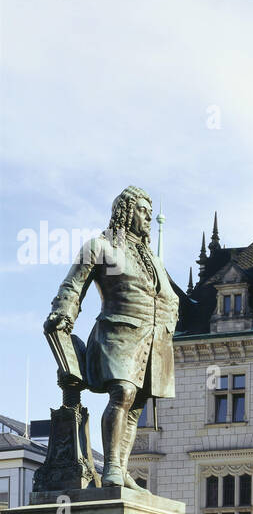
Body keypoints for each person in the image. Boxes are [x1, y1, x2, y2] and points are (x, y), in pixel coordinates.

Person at [44, 187, 177, 488]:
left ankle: (122, 467)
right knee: (123, 393)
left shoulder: (153, 259)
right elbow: (73, 286)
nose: (148, 217)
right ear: (127, 211)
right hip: (117, 332)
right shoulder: (100, 247)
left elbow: (167, 296)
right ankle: (112, 467)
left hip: (153, 340)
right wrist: (63, 315)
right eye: (143, 210)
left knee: (137, 405)